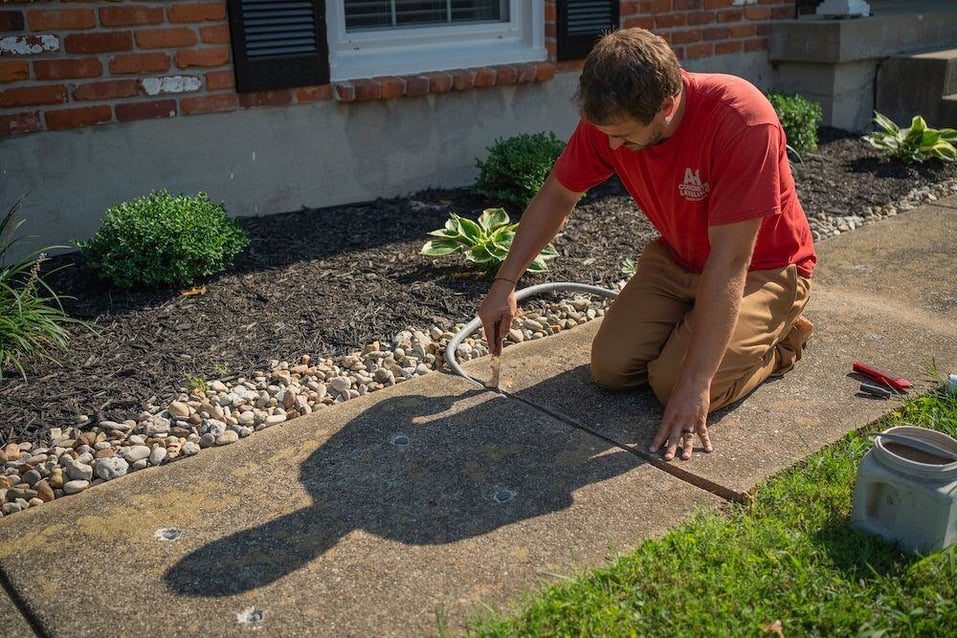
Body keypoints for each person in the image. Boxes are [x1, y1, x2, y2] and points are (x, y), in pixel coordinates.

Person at [478, 28, 817, 462]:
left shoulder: (743, 121)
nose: (613, 146)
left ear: (667, 106)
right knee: (611, 368)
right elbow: (558, 194)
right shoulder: (611, 120)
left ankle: (783, 341)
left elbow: (731, 260)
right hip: (678, 259)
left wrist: (696, 387)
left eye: (623, 136)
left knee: (674, 384)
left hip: (763, 268)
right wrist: (505, 282)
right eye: (607, 135)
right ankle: (704, 332)